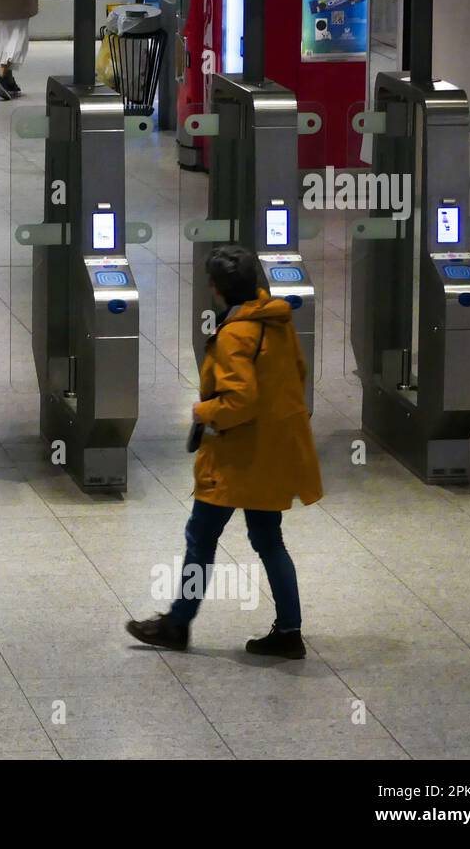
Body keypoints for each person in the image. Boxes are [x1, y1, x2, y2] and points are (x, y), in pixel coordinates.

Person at [127, 245, 323, 659]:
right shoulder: (276, 320)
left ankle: (177, 624)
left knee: (201, 537)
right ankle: (289, 630)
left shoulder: (235, 334)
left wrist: (203, 410)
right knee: (269, 540)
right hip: (272, 451)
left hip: (236, 459)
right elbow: (297, 375)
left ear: (217, 289)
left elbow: (240, 402)